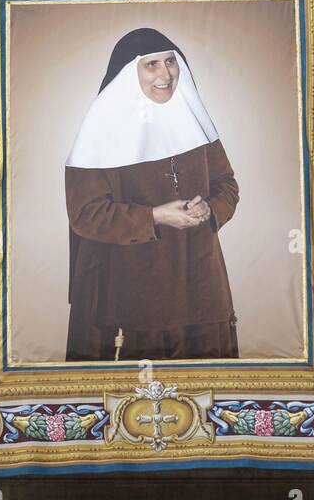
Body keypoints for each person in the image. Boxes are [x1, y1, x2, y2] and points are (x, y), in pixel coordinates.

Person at [64, 26, 239, 361]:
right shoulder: (98, 132)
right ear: (130, 73)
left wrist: (210, 209)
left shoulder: (193, 119)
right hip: (129, 289)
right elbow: (85, 215)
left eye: (170, 62)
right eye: (152, 64)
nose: (166, 74)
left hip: (198, 280)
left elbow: (226, 185)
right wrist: (155, 216)